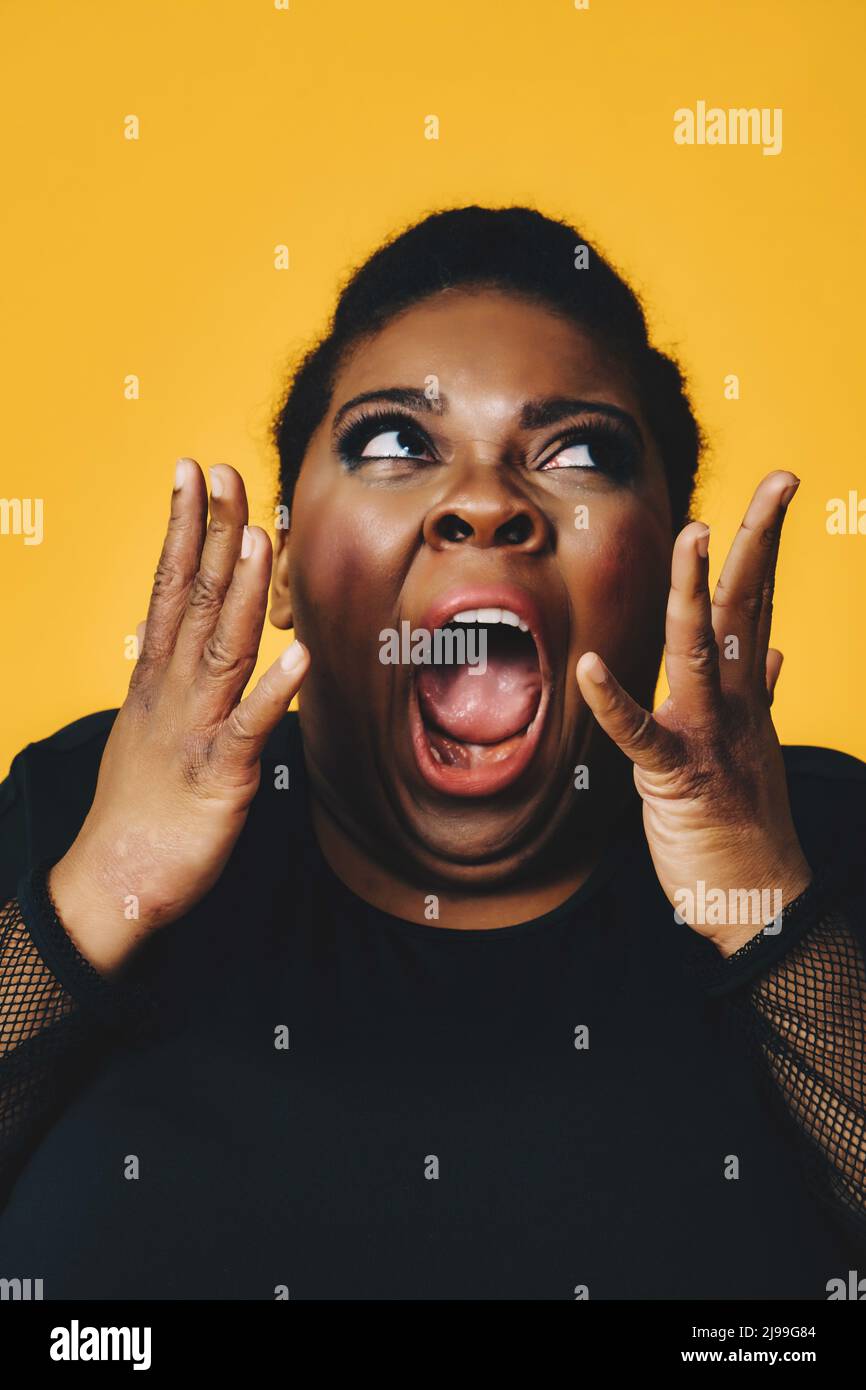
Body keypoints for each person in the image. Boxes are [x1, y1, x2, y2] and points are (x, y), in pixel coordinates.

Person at [0, 205, 864, 1301]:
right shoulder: (78, 807)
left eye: (579, 452)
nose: (485, 501)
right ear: (284, 567)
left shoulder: (821, 836)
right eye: (396, 441)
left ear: (663, 567)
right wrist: (98, 894)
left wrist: (761, 909)